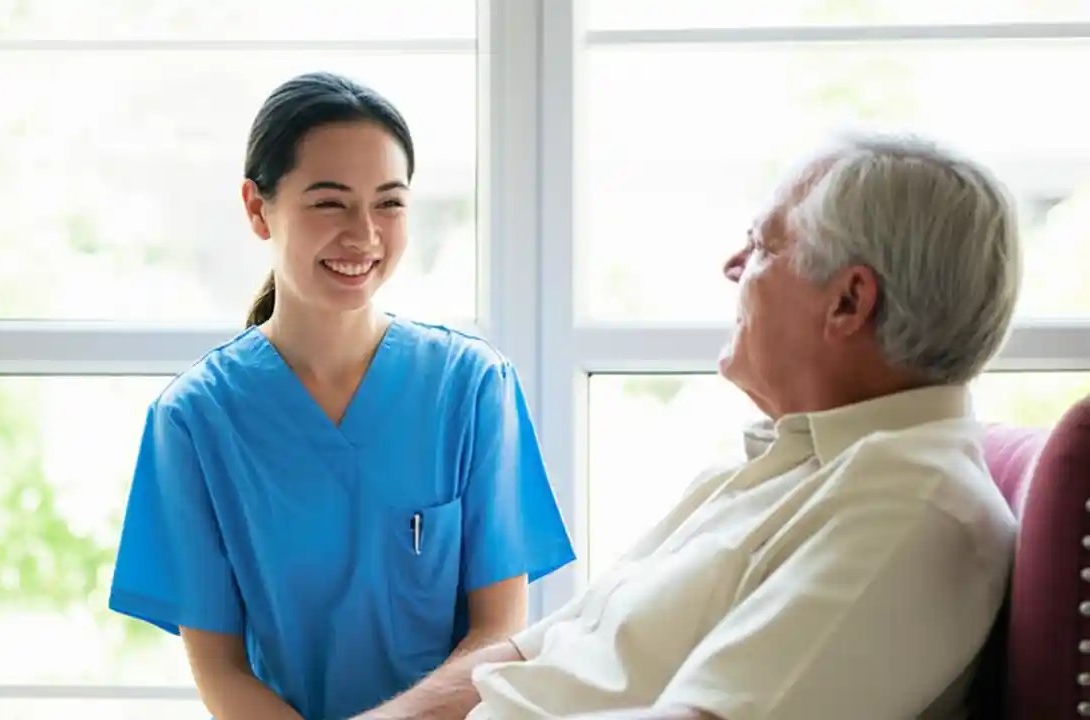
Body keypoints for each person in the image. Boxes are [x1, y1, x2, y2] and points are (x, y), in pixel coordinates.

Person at [351, 132, 1022, 720]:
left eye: (763, 247)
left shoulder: (912, 507)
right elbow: (531, 654)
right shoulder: (777, 464)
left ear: (848, 302)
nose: (732, 267)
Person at [107, 71, 575, 720]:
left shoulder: (471, 388)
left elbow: (497, 638)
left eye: (389, 203)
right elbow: (222, 674)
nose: (364, 234)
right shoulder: (193, 420)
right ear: (256, 208)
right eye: (330, 202)